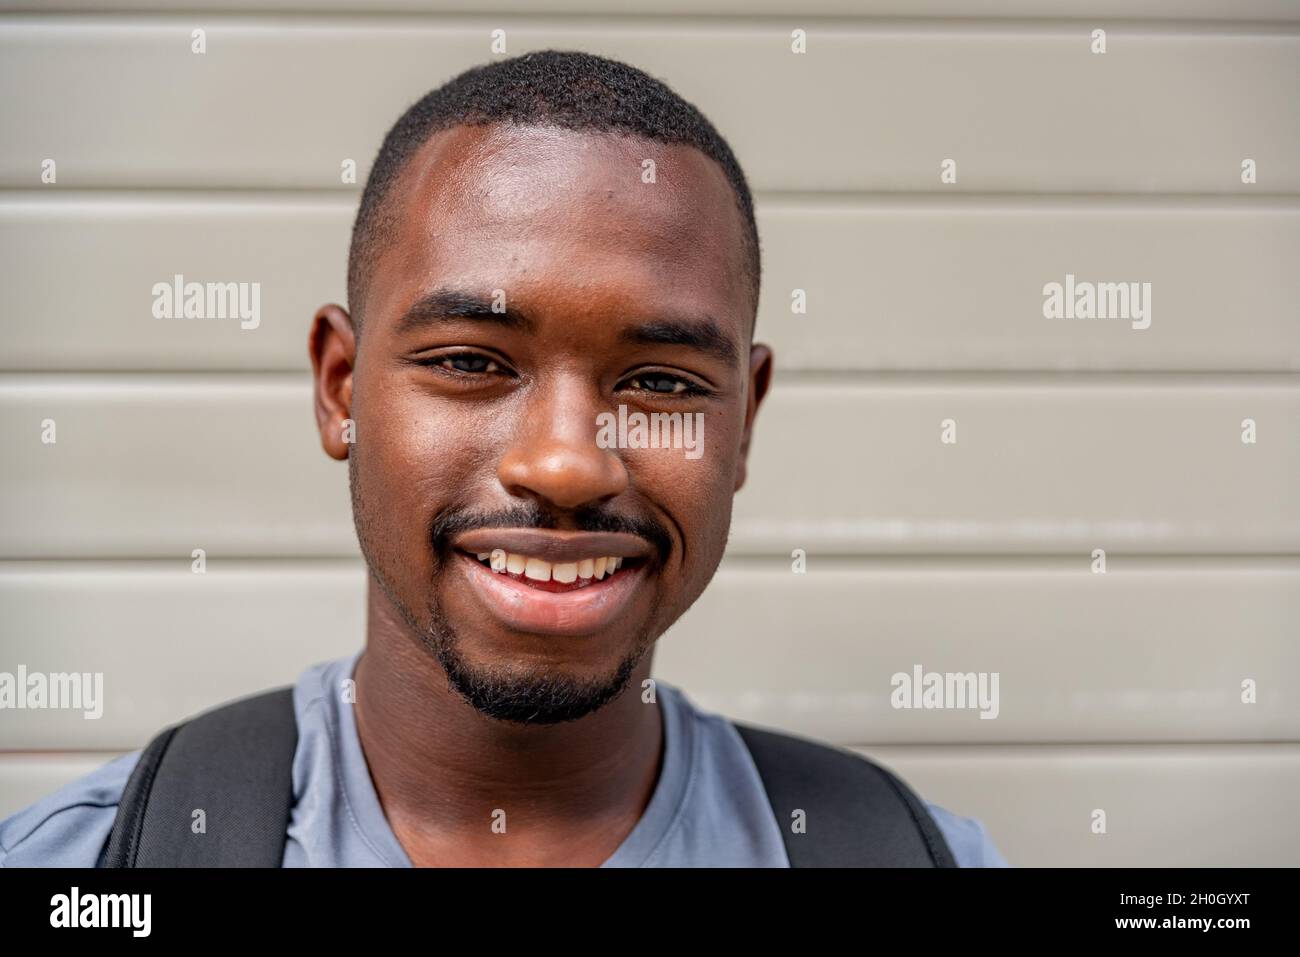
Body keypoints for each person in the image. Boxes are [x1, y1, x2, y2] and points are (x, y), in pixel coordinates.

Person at [1, 50, 1006, 868]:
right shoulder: (100, 864)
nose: (566, 466)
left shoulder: (903, 856)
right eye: (471, 363)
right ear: (341, 387)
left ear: (742, 424)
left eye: (659, 383)